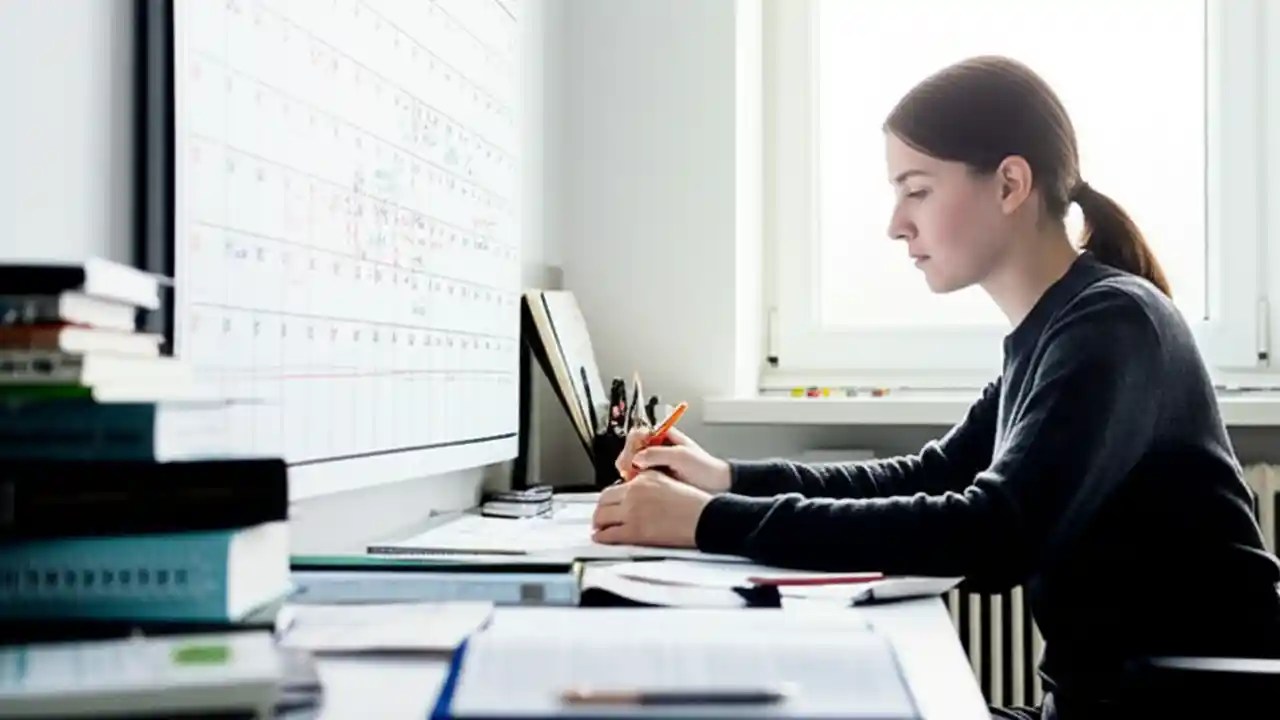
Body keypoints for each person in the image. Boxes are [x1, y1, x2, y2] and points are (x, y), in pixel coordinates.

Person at [590, 56, 1280, 717]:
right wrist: (723, 477)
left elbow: (989, 533)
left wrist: (708, 522)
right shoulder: (1051, 335)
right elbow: (931, 475)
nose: (897, 225)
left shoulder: (1113, 326)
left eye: (917, 190)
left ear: (1010, 184)